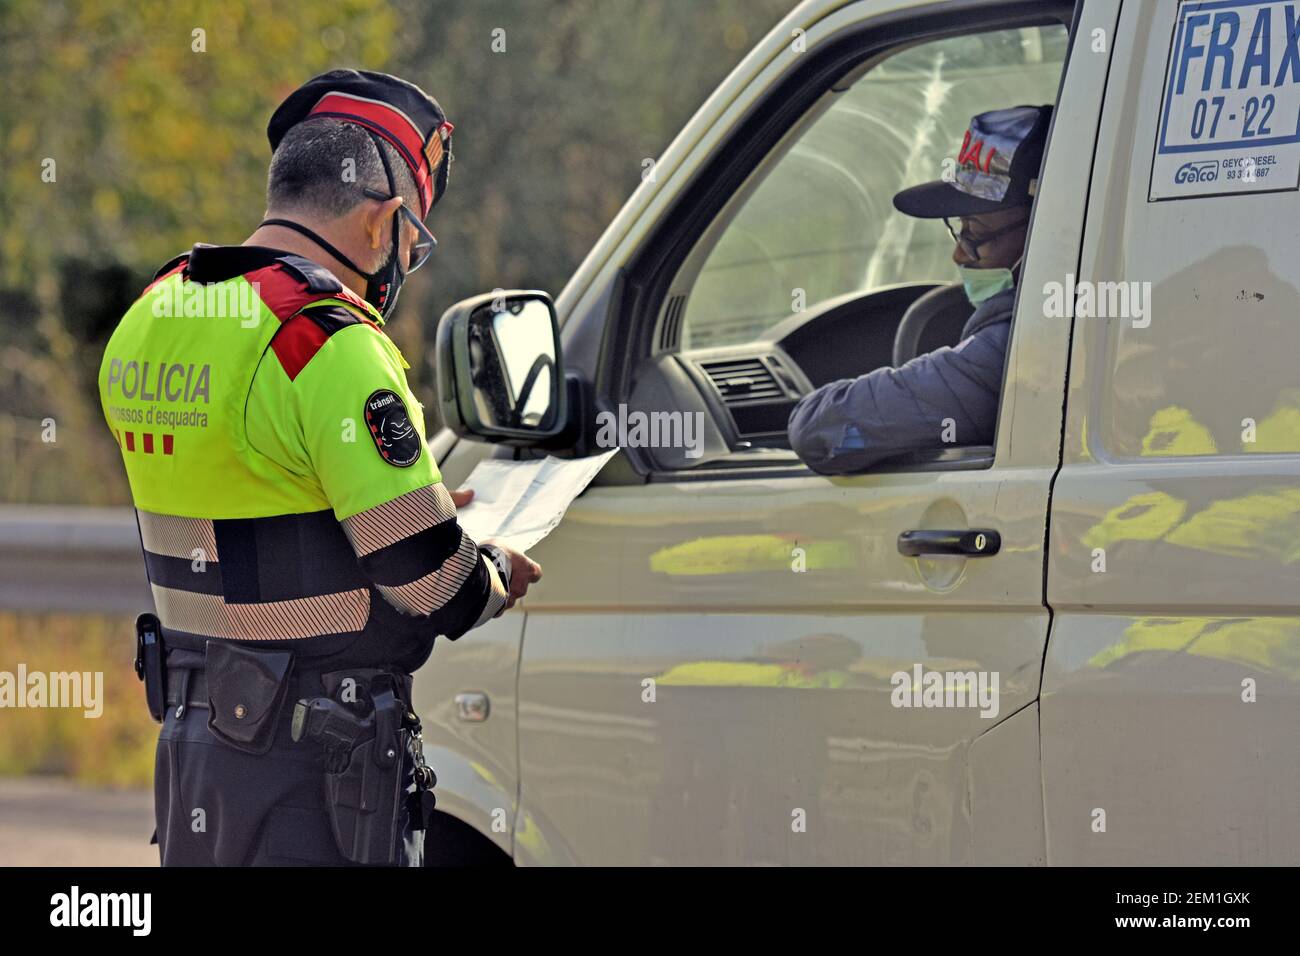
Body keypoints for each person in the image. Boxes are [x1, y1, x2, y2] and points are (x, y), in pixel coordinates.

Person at [97, 69, 541, 866]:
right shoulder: (328, 341)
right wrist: (496, 570)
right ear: (381, 221)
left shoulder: (153, 314)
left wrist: (406, 502)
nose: (405, 259)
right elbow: (428, 581)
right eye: (411, 238)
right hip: (315, 778)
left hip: (196, 760)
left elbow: (254, 492)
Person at [787, 104, 1053, 474]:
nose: (959, 252)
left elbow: (820, 433)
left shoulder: (1015, 351)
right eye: (960, 229)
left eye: (975, 232)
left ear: (1046, 231)